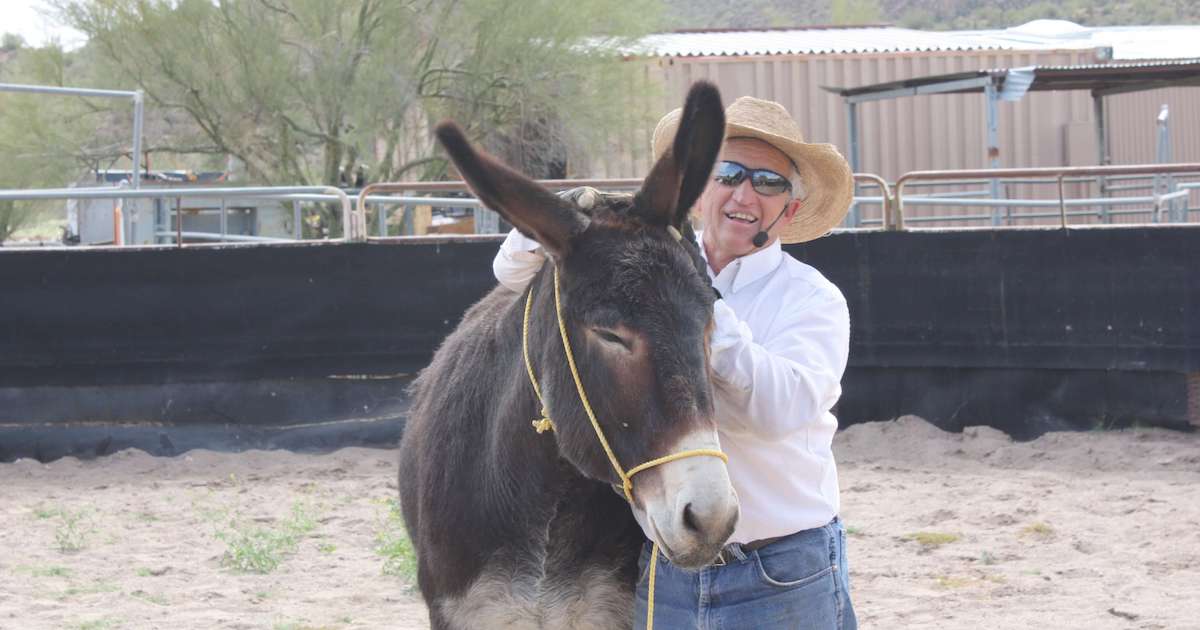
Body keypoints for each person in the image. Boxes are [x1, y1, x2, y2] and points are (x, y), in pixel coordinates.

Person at [492, 95, 857, 630]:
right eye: (727, 172)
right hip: (668, 567)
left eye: (769, 182)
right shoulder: (647, 275)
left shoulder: (814, 300)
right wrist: (557, 215)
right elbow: (511, 272)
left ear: (790, 209)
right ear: (698, 192)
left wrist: (702, 307)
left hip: (780, 569)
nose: (745, 192)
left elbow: (781, 410)